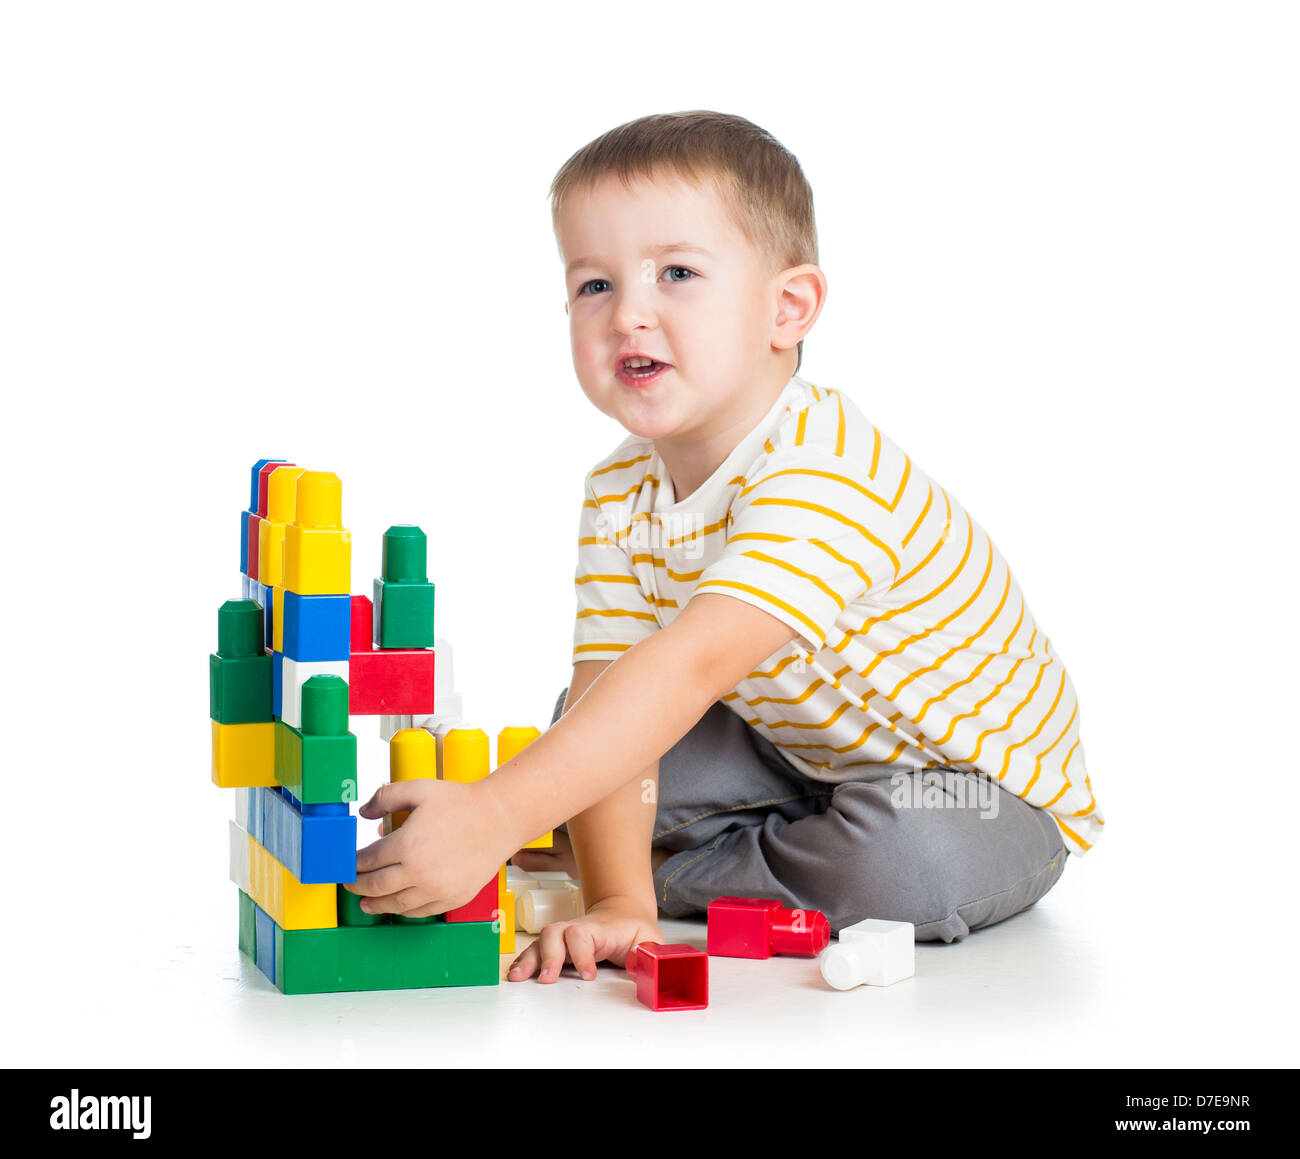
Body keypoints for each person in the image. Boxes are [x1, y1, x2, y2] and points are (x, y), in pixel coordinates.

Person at [345, 111, 1103, 986]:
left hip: (971, 790)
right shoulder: (619, 488)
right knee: (597, 713)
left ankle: (669, 870)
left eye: (677, 274)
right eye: (594, 285)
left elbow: (695, 664)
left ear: (787, 308)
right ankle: (638, 871)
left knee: (911, 861)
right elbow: (611, 684)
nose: (629, 313)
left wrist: (500, 812)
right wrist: (616, 903)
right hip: (790, 749)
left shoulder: (823, 466)